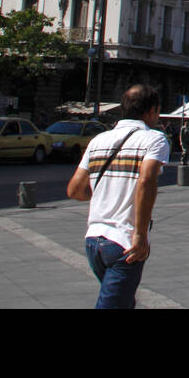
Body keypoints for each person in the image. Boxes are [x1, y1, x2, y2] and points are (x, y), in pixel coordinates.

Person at [66, 84, 170, 309]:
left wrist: (106, 193)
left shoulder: (98, 140)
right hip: (124, 243)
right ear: (151, 110)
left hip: (93, 241)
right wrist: (140, 234)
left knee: (122, 301)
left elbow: (74, 189)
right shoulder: (155, 139)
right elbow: (146, 181)